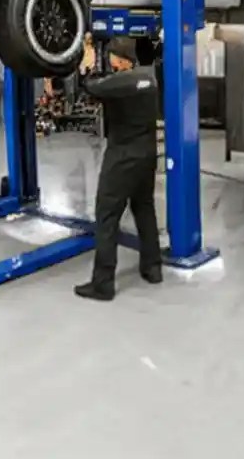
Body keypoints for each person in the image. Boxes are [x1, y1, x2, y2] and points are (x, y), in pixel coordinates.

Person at [75, 37, 163, 301]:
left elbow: (90, 88)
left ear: (120, 59)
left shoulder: (120, 83)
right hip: (147, 155)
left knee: (106, 214)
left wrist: (86, 67)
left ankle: (103, 284)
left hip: (122, 158)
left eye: (111, 56)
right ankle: (153, 267)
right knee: (144, 209)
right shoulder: (149, 79)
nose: (109, 61)